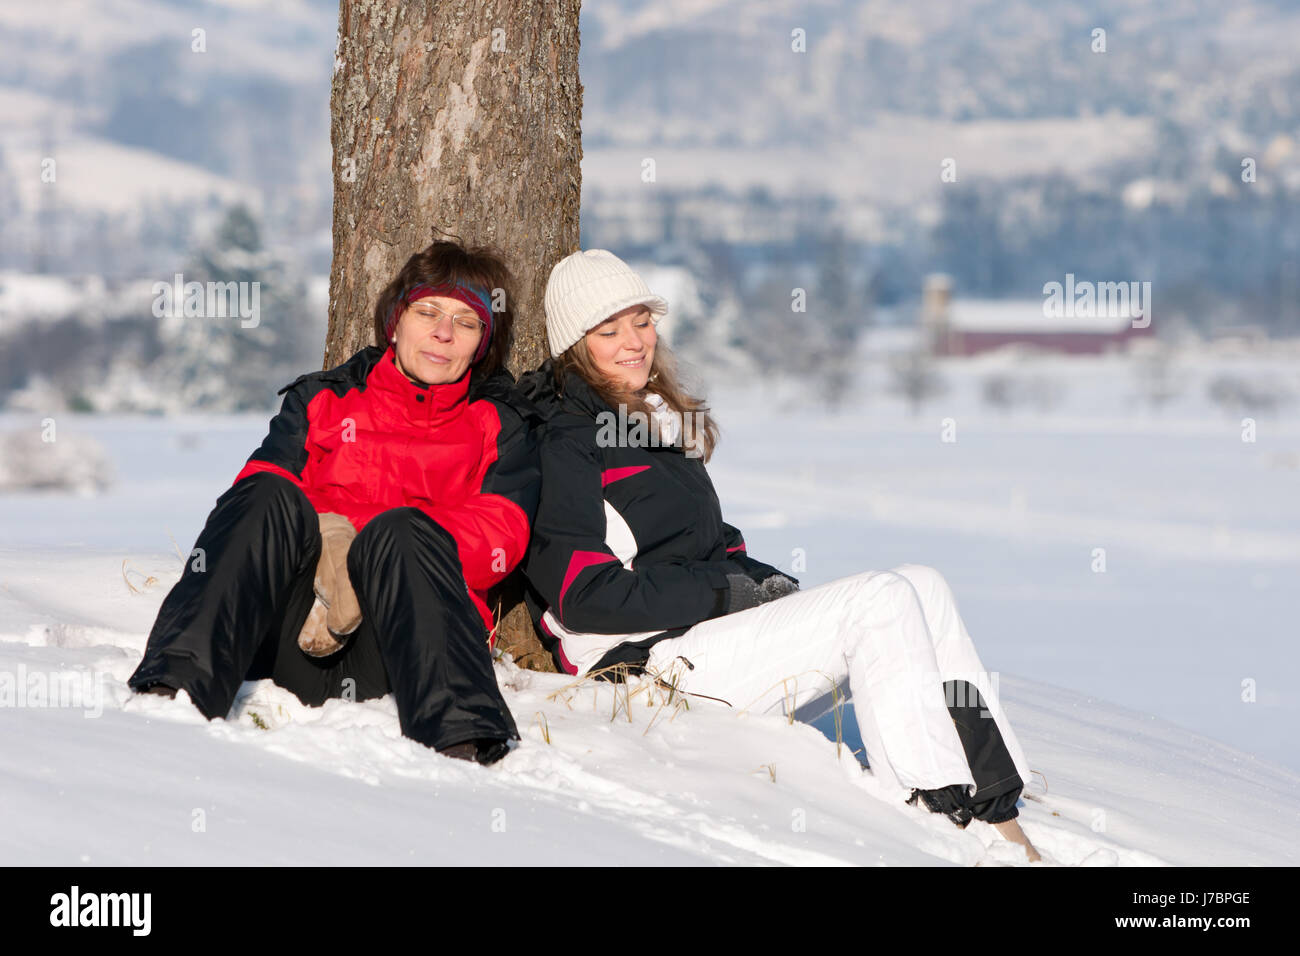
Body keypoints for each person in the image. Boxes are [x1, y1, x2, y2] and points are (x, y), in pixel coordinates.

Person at [517, 249, 1041, 859]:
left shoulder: (646, 421)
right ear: (576, 346)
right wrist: (725, 592)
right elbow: (584, 598)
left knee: (921, 583)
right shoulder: (566, 441)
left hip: (703, 641)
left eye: (641, 320)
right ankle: (936, 812)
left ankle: (994, 802)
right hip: (642, 669)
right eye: (609, 331)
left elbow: (710, 541)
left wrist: (758, 580)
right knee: (880, 600)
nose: (634, 341)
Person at [128, 238, 540, 765]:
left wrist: (361, 545)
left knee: (405, 530)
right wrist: (326, 539)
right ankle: (172, 691)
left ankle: (465, 744)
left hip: (402, 647)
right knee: (269, 494)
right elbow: (252, 500)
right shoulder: (322, 398)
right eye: (429, 312)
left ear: (482, 343)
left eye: (466, 322)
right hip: (289, 631)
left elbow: (500, 536)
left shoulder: (500, 423)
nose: (443, 332)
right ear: (396, 320)